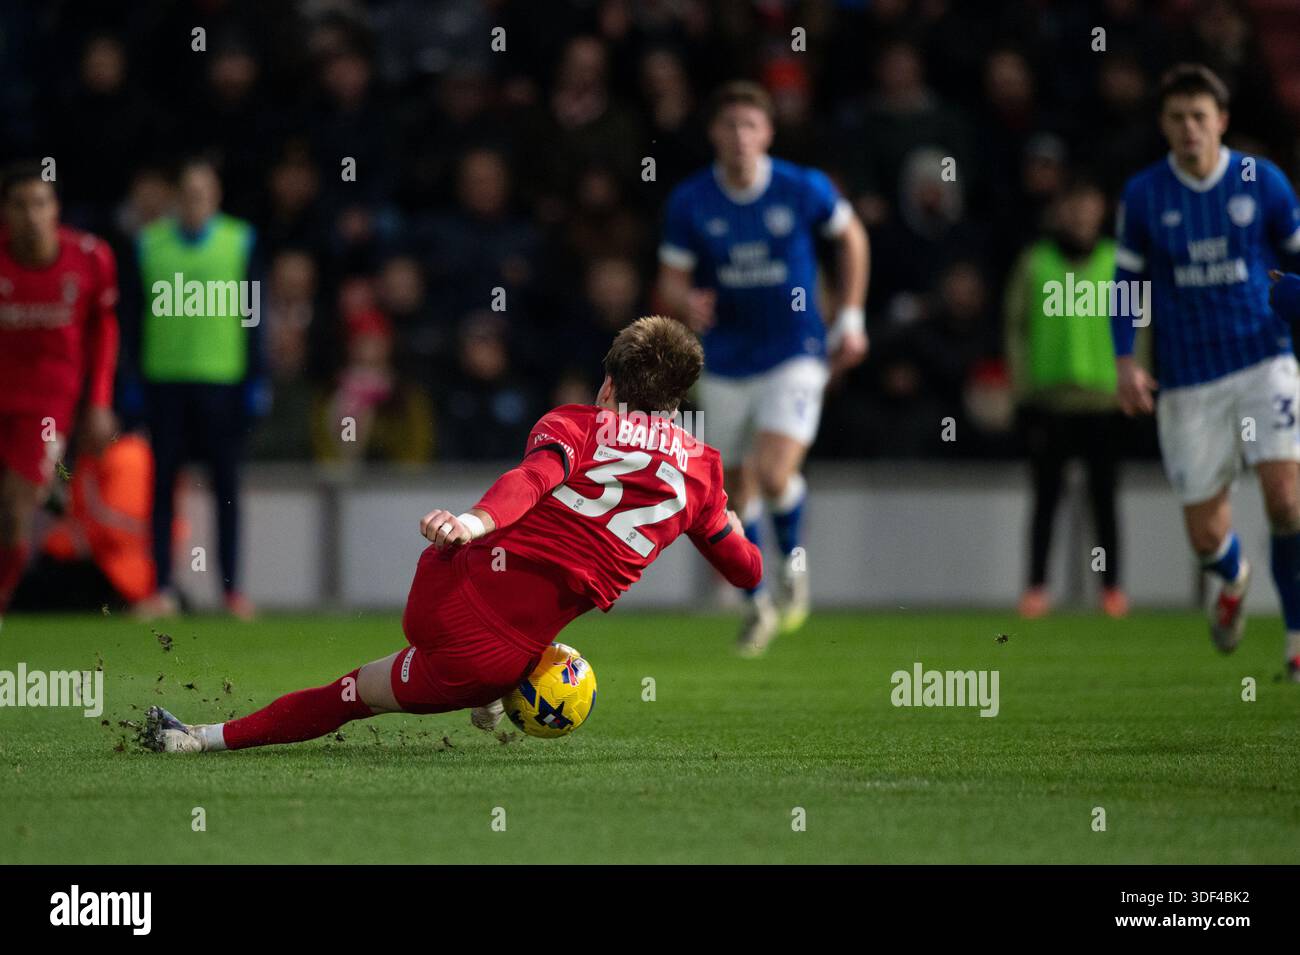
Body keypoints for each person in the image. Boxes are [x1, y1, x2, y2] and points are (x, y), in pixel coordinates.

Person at [144, 317, 761, 753]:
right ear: (678, 405)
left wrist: (471, 523)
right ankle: (200, 740)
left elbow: (531, 479)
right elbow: (746, 572)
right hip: (489, 663)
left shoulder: (578, 423)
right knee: (353, 697)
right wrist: (731, 525)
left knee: (362, 681)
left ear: (608, 388)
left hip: (446, 595)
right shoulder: (702, 472)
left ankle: (196, 737)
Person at [655, 81, 869, 655]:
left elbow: (852, 237)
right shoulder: (691, 200)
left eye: (750, 125)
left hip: (795, 352)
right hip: (722, 361)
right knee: (730, 495)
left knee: (774, 475)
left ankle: (793, 565)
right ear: (714, 135)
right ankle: (757, 604)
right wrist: (684, 303)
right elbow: (670, 280)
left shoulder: (803, 188)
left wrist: (850, 316)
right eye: (729, 126)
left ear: (767, 133)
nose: (739, 137)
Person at [1111, 64, 1300, 678]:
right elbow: (1127, 282)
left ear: (1221, 120)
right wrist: (1124, 361)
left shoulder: (1262, 181)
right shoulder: (1144, 195)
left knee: (1287, 501)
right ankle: (1234, 578)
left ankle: (1297, 642)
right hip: (1188, 379)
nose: (1189, 128)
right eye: (1176, 118)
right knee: (1205, 537)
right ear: (1163, 126)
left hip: (1263, 359)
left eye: (1199, 115)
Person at [131, 158, 261, 620]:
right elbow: (133, 317)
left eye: (203, 193)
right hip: (164, 383)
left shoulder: (239, 241)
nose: (195, 202)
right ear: (175, 197)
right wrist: (131, 381)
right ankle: (161, 589)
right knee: (162, 488)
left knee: (227, 489)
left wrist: (255, 378)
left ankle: (231, 593)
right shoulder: (148, 244)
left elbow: (252, 313)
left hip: (221, 383)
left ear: (217, 196)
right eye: (187, 193)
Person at [0, 162, 120, 630]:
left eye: (40, 203)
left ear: (56, 210)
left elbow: (105, 329)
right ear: (5, 212)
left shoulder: (91, 257)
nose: (31, 215)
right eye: (20, 205)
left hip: (47, 407)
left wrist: (100, 401)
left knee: (15, 512)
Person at [1005, 178, 1128, 619]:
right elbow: (1015, 330)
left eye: (1087, 208)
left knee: (1106, 502)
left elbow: (1140, 328)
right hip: (1049, 402)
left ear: (1101, 212)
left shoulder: (1120, 262)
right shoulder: (1034, 262)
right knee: (1045, 502)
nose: (1079, 218)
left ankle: (1111, 590)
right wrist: (1020, 393)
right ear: (1059, 212)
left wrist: (1134, 384)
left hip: (1103, 401)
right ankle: (1037, 588)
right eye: (1072, 209)